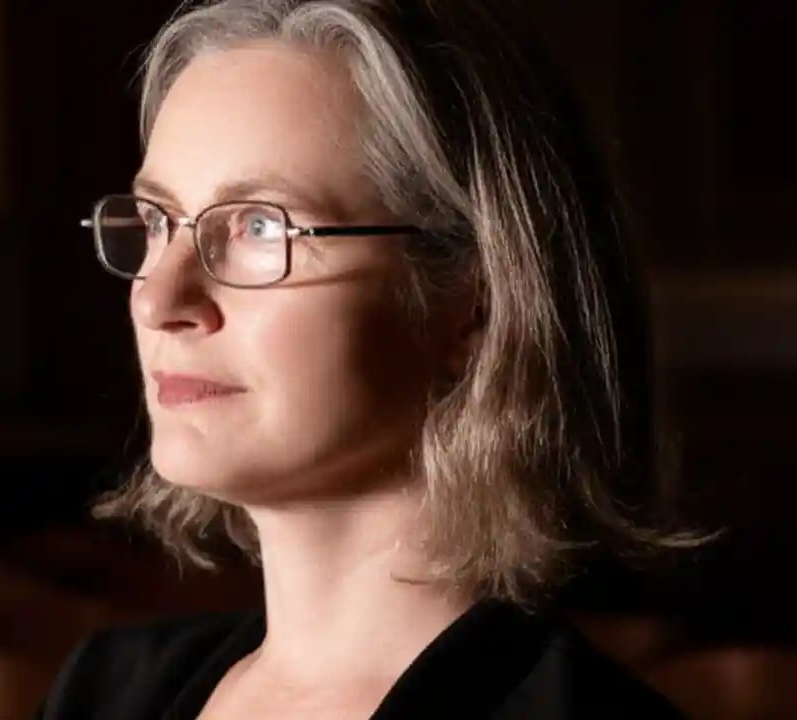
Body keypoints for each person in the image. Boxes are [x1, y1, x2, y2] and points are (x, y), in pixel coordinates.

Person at [39, 0, 693, 717]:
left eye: (261, 226)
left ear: (474, 304)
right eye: (159, 220)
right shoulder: (103, 693)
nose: (158, 298)